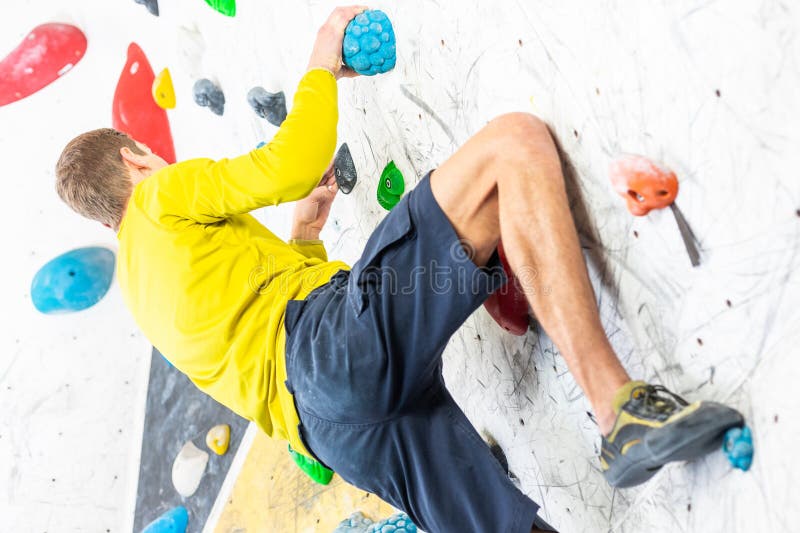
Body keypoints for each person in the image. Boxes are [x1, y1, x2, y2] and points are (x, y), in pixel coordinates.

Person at [54, 6, 743, 532]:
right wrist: (321, 62)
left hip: (337, 429)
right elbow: (291, 163)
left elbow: (259, 349)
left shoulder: (144, 301)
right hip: (330, 353)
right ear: (135, 158)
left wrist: (301, 240)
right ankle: (616, 405)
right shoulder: (159, 195)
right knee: (514, 147)